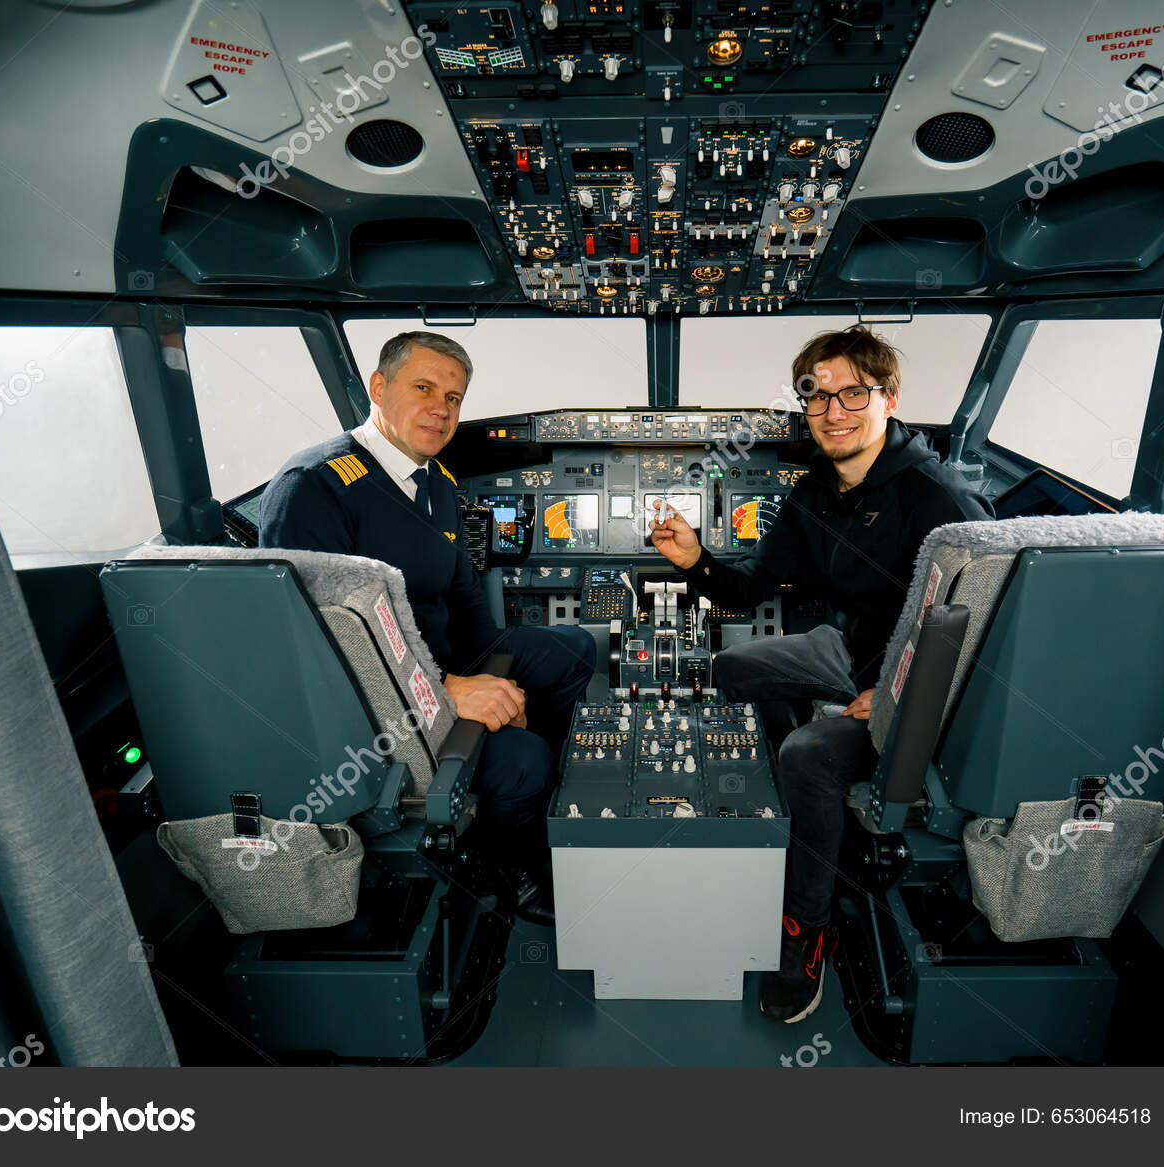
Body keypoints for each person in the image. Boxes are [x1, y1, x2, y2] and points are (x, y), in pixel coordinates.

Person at [649, 324, 993, 1023]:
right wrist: (695, 560)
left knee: (809, 753)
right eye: (817, 396)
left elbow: (983, 621)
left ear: (890, 398)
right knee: (732, 668)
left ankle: (806, 927)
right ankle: (795, 817)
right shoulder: (814, 492)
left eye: (853, 393)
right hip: (851, 654)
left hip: (920, 690)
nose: (834, 411)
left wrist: (895, 695)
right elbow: (751, 588)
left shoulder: (938, 501)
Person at [259, 330, 594, 910]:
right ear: (379, 387)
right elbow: (305, 651)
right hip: (375, 715)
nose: (442, 408)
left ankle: (551, 794)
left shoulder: (437, 483)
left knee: (574, 650)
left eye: (455, 397)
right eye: (424, 387)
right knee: (524, 763)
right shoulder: (315, 486)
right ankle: (504, 865)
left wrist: (502, 672)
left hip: (443, 662)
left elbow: (462, 592)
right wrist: (442, 693)